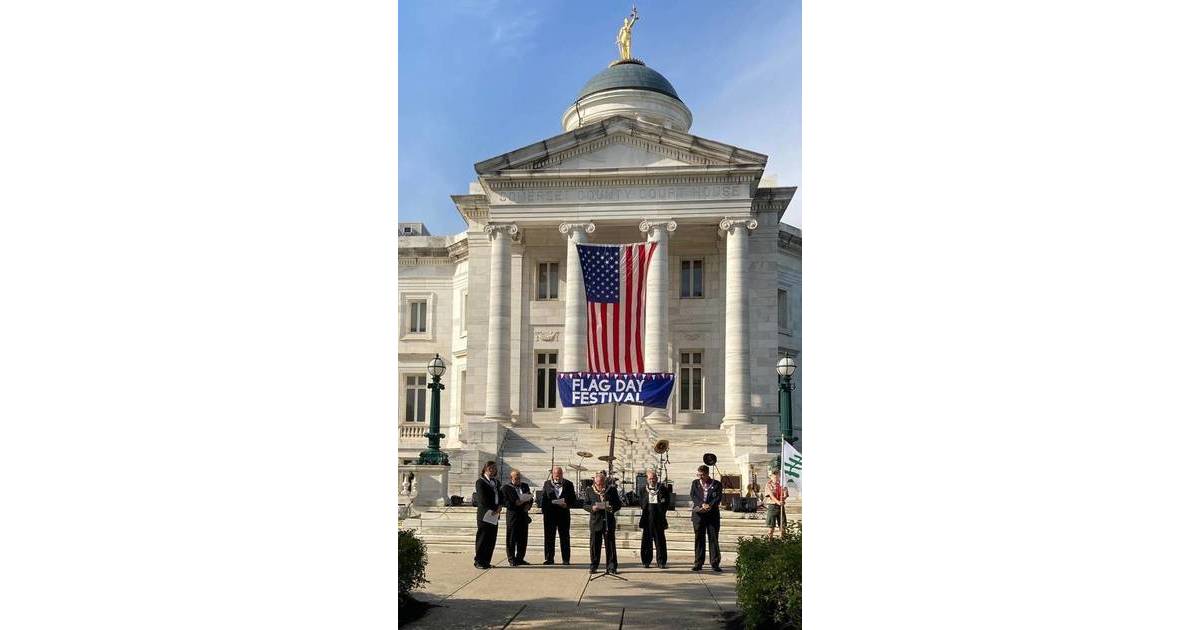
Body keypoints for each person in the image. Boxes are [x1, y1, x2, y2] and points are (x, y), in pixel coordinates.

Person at [578, 470, 621, 574]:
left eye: (602, 483)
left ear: (605, 481)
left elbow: (618, 504)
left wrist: (612, 508)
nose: (600, 485)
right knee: (594, 545)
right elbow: (585, 505)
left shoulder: (611, 489)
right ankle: (594, 565)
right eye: (598, 483)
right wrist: (592, 508)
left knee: (610, 544)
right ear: (595, 482)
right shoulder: (589, 490)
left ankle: (611, 566)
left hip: (608, 521)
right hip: (595, 521)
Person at [689, 464, 723, 572]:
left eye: (702, 475)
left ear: (707, 474)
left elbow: (718, 497)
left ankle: (715, 562)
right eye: (699, 475)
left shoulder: (716, 484)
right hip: (699, 515)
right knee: (699, 538)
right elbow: (693, 495)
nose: (700, 477)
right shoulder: (695, 483)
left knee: (713, 538)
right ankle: (698, 562)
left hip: (712, 515)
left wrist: (710, 505)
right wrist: (702, 504)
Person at [540, 465, 576, 565]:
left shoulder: (569, 484)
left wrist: (567, 505)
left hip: (563, 514)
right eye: (556, 474)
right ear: (552, 474)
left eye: (559, 474)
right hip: (550, 515)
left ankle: (566, 559)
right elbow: (543, 499)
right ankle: (549, 558)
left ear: (562, 474)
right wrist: (545, 512)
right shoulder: (547, 484)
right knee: (549, 537)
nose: (558, 476)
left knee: (564, 537)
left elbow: (573, 499)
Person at [638, 467, 670, 568]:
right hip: (647, 518)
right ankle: (646, 561)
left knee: (660, 541)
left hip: (659, 518)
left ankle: (661, 561)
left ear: (657, 478)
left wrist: (660, 505)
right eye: (650, 478)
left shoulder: (663, 488)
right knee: (646, 541)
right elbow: (641, 503)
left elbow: (667, 502)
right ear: (647, 479)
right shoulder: (643, 489)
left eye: (654, 478)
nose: (652, 480)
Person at [501, 468, 534, 566]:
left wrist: (529, 505)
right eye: (516, 478)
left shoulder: (525, 486)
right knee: (512, 538)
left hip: (523, 515)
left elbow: (530, 497)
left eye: (519, 478)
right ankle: (511, 559)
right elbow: (504, 502)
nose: (518, 480)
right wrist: (516, 503)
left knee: (523, 538)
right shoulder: (506, 488)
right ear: (511, 478)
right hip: (513, 516)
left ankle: (520, 558)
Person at [473, 461, 503, 569]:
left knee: (491, 538)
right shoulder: (480, 482)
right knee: (483, 538)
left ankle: (486, 561)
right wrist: (494, 508)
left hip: (495, 514)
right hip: (485, 514)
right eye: (490, 468)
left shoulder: (496, 482)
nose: (492, 470)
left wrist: (500, 506)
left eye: (494, 468)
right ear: (485, 469)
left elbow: (501, 495)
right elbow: (482, 499)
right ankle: (479, 561)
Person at [764, 468, 789, 538]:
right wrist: (778, 502)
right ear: (771, 476)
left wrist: (784, 497)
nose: (776, 477)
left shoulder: (782, 484)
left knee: (782, 526)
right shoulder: (768, 484)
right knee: (771, 527)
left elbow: (785, 494)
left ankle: (782, 542)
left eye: (777, 475)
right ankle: (770, 542)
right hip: (772, 506)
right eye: (774, 475)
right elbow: (771, 496)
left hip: (780, 506)